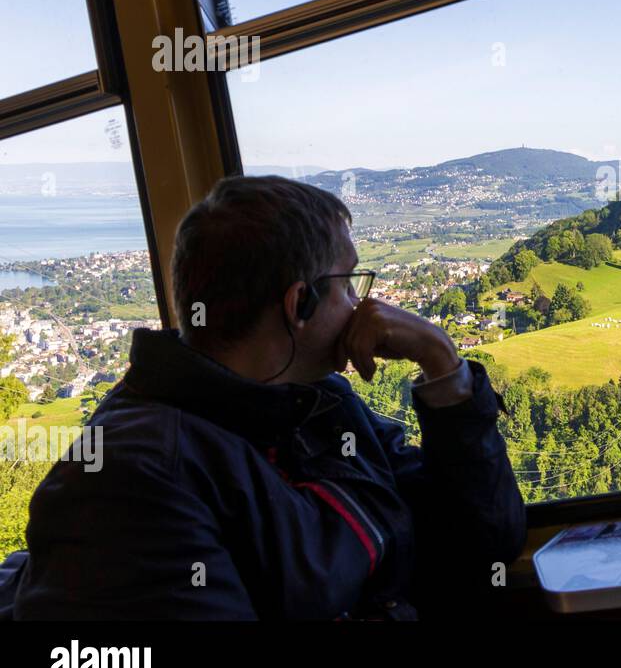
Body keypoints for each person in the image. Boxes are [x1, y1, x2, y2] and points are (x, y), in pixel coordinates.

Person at [8, 175, 525, 619]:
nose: (365, 304)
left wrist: (445, 368)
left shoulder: (321, 403)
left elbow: (483, 543)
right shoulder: (132, 476)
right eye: (349, 283)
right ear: (300, 304)